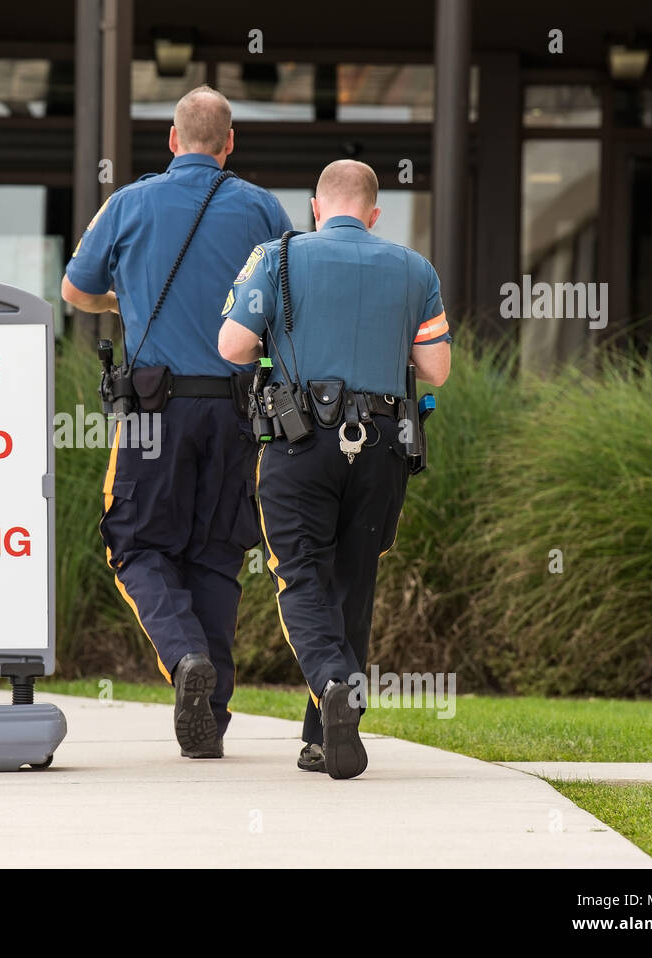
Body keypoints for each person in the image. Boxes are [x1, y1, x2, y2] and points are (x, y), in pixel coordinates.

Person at [61, 86, 292, 759]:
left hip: (151, 411)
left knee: (136, 544)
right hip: (237, 409)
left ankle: (185, 657)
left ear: (172, 140)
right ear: (228, 144)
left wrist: (125, 302)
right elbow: (285, 300)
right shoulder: (260, 208)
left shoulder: (128, 203)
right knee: (217, 553)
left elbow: (76, 289)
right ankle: (210, 719)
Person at [218, 159, 451, 779]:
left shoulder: (277, 257)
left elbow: (233, 347)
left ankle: (336, 683)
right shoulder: (414, 268)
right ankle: (324, 735)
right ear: (375, 215)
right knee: (352, 580)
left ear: (316, 208)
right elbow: (437, 369)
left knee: (300, 575)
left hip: (300, 443)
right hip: (382, 448)